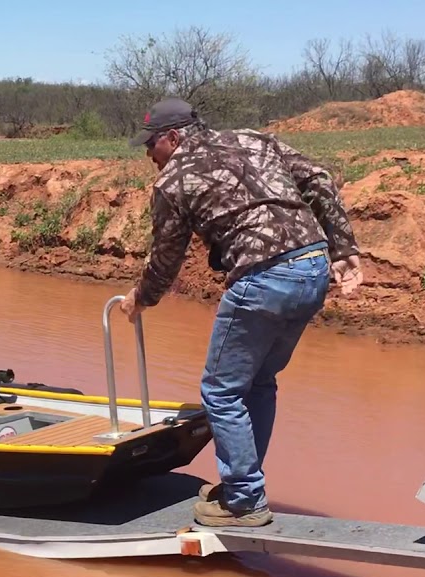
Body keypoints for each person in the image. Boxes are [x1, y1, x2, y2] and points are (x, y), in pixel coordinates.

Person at [119, 98, 363, 527]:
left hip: (264, 279)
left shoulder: (173, 181)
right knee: (259, 382)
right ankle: (241, 485)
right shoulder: (253, 140)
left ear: (173, 138)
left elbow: (165, 258)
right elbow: (320, 179)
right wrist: (343, 247)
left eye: (151, 143)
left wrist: (141, 298)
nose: (147, 154)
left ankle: (245, 500)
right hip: (313, 269)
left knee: (220, 391)